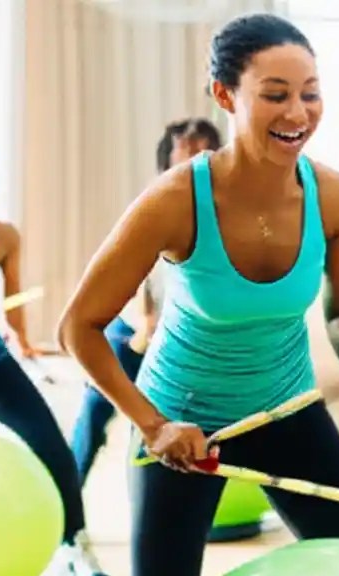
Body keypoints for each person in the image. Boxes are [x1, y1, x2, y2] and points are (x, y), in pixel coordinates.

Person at [54, 15, 339, 576]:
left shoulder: (333, 196)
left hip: (285, 408)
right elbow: (78, 328)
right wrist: (153, 426)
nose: (297, 113)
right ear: (225, 94)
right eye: (274, 94)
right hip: (182, 419)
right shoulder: (177, 199)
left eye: (310, 93)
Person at [0, 139, 112, 576]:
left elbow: (11, 307)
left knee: (52, 446)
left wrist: (23, 341)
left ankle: (76, 548)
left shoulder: (4, 235)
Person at [70, 117, 222, 485]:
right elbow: (136, 278)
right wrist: (145, 323)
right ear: (166, 163)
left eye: (204, 153)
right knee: (95, 411)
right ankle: (69, 514)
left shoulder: (223, 211)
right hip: (136, 330)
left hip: (184, 337)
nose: (194, 162)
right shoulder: (155, 205)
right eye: (185, 155)